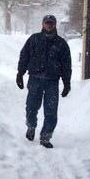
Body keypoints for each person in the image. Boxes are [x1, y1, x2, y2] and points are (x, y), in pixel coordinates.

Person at [16, 14, 72, 148]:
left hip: (52, 81)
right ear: (42, 24)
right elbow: (24, 56)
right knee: (31, 107)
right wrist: (20, 73)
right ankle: (31, 127)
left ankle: (46, 137)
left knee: (51, 111)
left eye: (51, 23)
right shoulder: (34, 39)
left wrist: (66, 82)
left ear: (55, 25)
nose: (49, 25)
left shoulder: (61, 43)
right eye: (47, 23)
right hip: (35, 79)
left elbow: (66, 64)